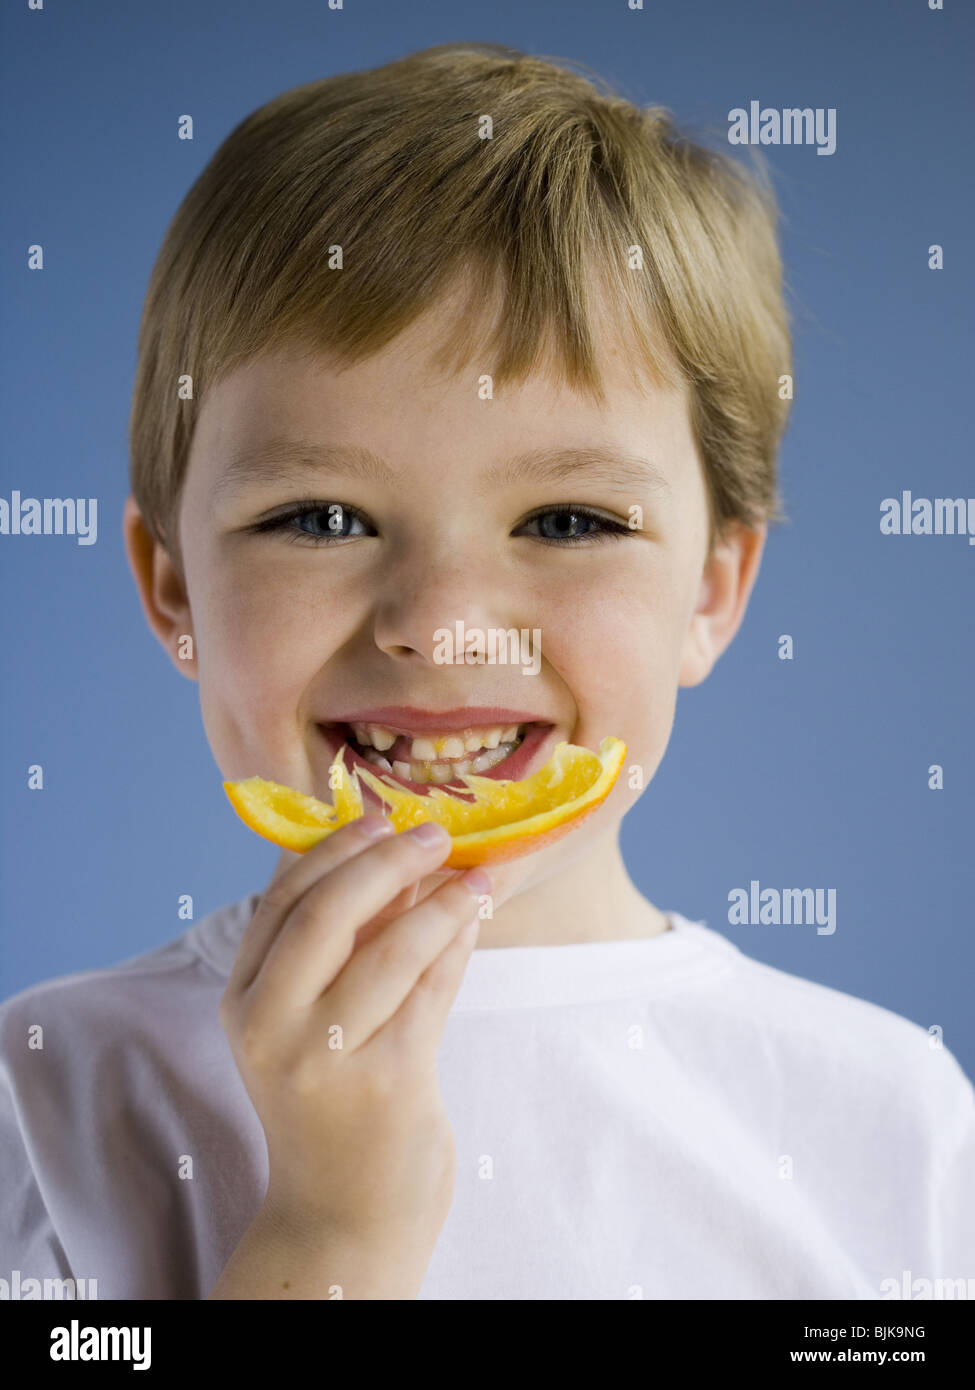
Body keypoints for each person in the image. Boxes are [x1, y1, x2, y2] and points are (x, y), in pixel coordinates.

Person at [1, 42, 972, 1301]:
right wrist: (329, 1235)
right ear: (175, 586)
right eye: (322, 517)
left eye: (569, 521)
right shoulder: (48, 1095)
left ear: (714, 591)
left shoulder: (896, 1126)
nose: (445, 628)